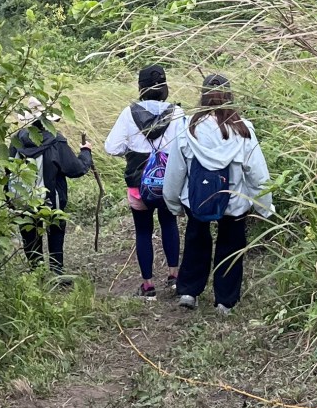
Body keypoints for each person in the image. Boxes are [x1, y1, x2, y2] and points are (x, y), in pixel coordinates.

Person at [162, 72, 273, 314]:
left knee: (195, 240)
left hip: (197, 200)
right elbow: (257, 173)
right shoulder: (243, 130)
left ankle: (189, 291)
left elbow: (175, 171)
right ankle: (225, 301)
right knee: (231, 247)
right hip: (235, 202)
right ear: (230, 97)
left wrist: (173, 203)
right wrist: (265, 206)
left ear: (202, 96)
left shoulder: (188, 129)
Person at [103, 64, 182, 299]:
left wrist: (133, 150)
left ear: (141, 87)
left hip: (139, 183)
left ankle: (148, 286)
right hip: (168, 182)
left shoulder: (129, 113)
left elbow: (111, 147)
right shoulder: (177, 113)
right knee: (169, 225)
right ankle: (174, 277)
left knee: (143, 231)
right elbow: (185, 144)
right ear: (165, 87)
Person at [9, 97, 93, 278]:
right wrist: (86, 152)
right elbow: (75, 169)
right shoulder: (56, 141)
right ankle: (57, 273)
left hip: (23, 200)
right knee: (55, 230)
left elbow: (8, 171)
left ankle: (35, 274)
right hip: (51, 199)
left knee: (29, 233)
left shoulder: (16, 141)